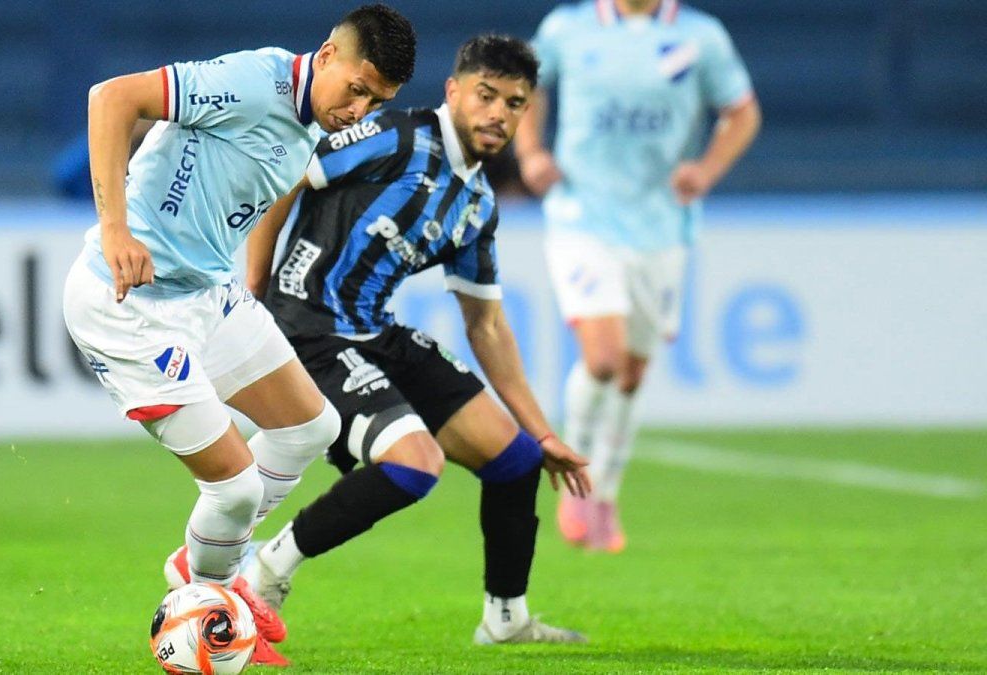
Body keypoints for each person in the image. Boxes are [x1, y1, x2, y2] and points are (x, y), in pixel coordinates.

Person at [182, 34, 591, 646]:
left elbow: (486, 325)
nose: (498, 114)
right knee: (414, 461)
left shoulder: (477, 203)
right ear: (454, 91)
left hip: (374, 329)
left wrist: (544, 430)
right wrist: (255, 286)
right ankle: (267, 568)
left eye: (515, 103)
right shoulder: (397, 136)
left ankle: (506, 622)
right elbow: (291, 175)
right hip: (308, 327)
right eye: (486, 95)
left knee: (516, 462)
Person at [61, 4, 416, 665]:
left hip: (205, 294)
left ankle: (204, 556)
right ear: (328, 54)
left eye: (377, 101)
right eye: (356, 88)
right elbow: (111, 97)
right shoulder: (254, 81)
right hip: (129, 306)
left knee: (312, 427)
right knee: (236, 490)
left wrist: (252, 274)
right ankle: (213, 603)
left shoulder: (314, 121)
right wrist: (116, 229)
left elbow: (268, 184)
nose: (358, 109)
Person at [514, 0, 762, 552]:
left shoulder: (701, 36)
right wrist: (530, 151)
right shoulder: (567, 28)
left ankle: (606, 491)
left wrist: (707, 169)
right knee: (603, 359)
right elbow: (525, 84)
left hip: (660, 225)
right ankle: (576, 478)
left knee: (630, 373)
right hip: (584, 216)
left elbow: (743, 112)